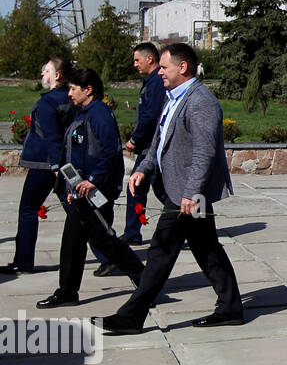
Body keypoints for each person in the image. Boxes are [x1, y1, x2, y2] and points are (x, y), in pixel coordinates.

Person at [100, 43, 244, 334]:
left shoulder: (200, 101)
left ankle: (131, 316)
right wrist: (143, 168)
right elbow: (159, 139)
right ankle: (230, 307)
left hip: (188, 194)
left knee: (160, 252)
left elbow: (204, 153)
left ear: (183, 67)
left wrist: (191, 194)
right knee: (206, 248)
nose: (160, 72)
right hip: (178, 190)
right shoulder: (173, 98)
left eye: (164, 67)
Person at [34, 68, 145, 309]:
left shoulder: (100, 114)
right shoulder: (83, 112)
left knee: (105, 241)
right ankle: (67, 292)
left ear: (89, 90)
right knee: (74, 241)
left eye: (73, 89)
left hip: (94, 192)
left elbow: (109, 150)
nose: (69, 93)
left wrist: (94, 180)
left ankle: (145, 281)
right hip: (81, 190)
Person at [2, 58, 72, 277]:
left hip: (45, 164)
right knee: (78, 211)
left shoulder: (48, 102)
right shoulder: (70, 98)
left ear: (57, 75)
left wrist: (55, 165)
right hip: (61, 162)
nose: (42, 74)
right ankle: (107, 255)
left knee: (28, 209)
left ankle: (23, 262)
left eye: (47, 70)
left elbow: (52, 137)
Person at [117, 43, 166, 252]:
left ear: (149, 59)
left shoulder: (155, 83)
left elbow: (151, 116)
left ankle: (132, 233)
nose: (134, 64)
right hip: (151, 146)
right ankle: (189, 228)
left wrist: (135, 139)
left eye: (137, 60)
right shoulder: (152, 81)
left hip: (151, 147)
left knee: (138, 189)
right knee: (163, 192)